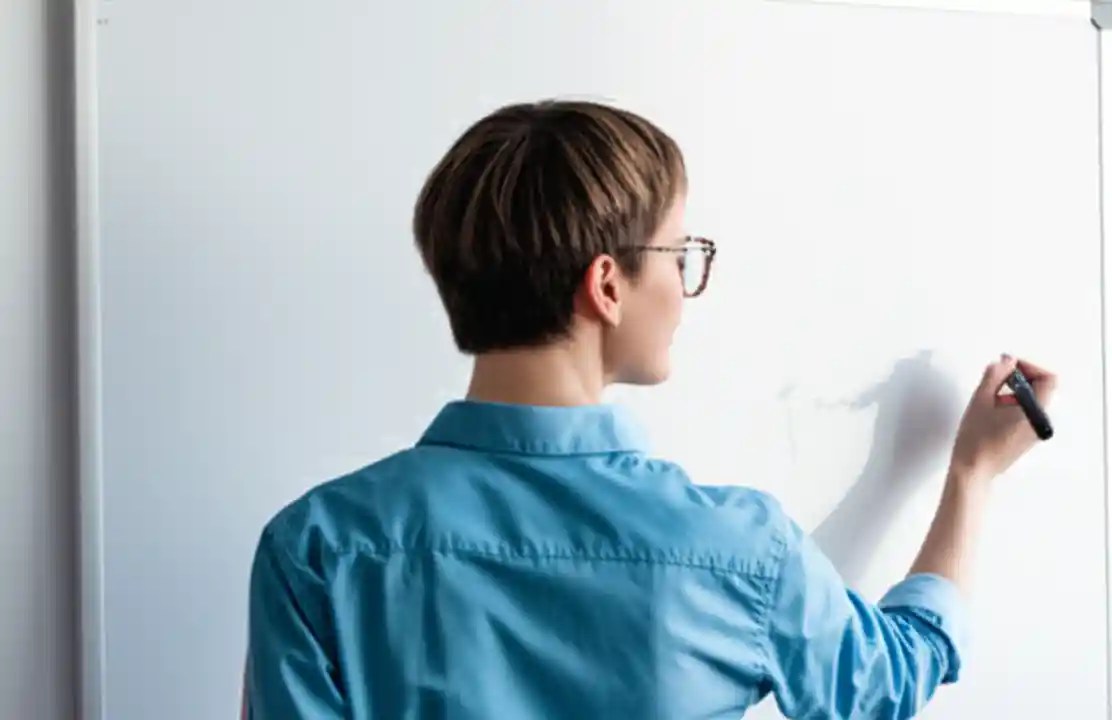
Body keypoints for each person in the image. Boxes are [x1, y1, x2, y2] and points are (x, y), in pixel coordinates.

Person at [243, 100, 1056, 719]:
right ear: (605, 284)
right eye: (680, 252)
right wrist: (972, 473)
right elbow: (890, 679)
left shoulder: (317, 546)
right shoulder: (738, 549)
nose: (684, 284)